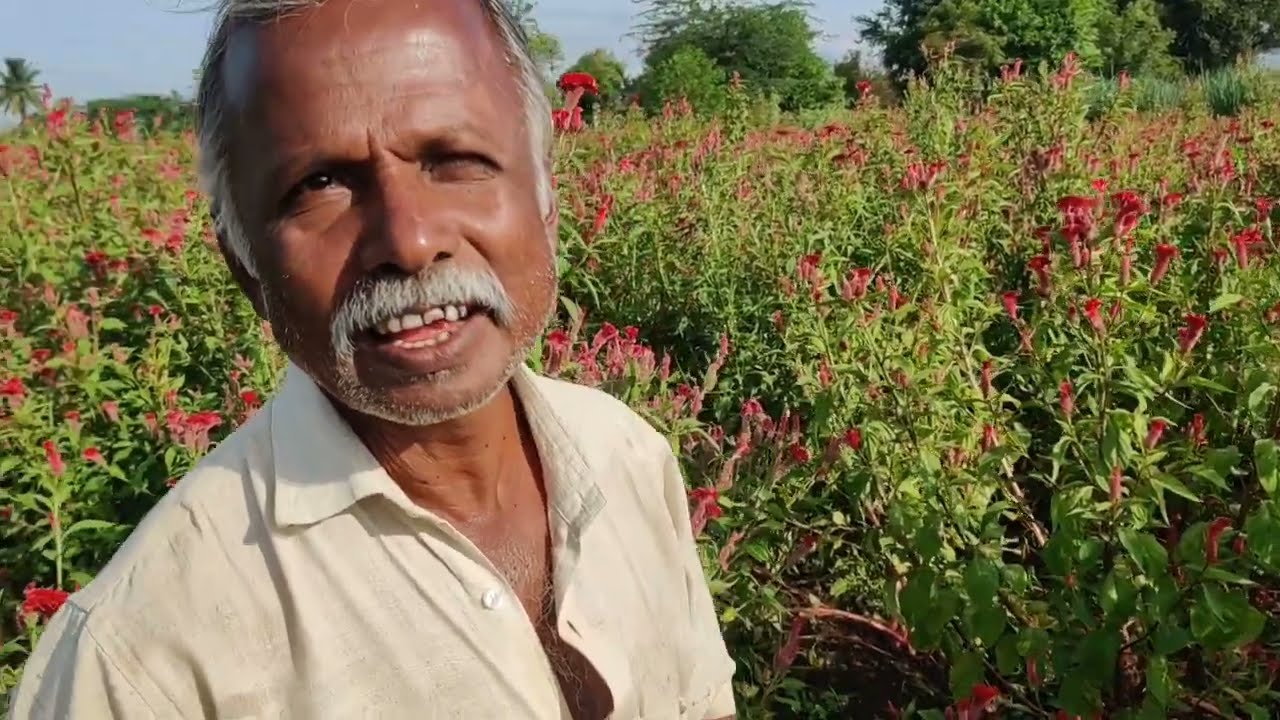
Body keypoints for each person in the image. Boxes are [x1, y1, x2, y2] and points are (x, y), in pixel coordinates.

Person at [6, 0, 737, 718]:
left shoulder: (629, 456)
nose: (410, 240)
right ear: (246, 270)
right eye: (318, 185)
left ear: (545, 198)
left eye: (457, 160)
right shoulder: (144, 661)